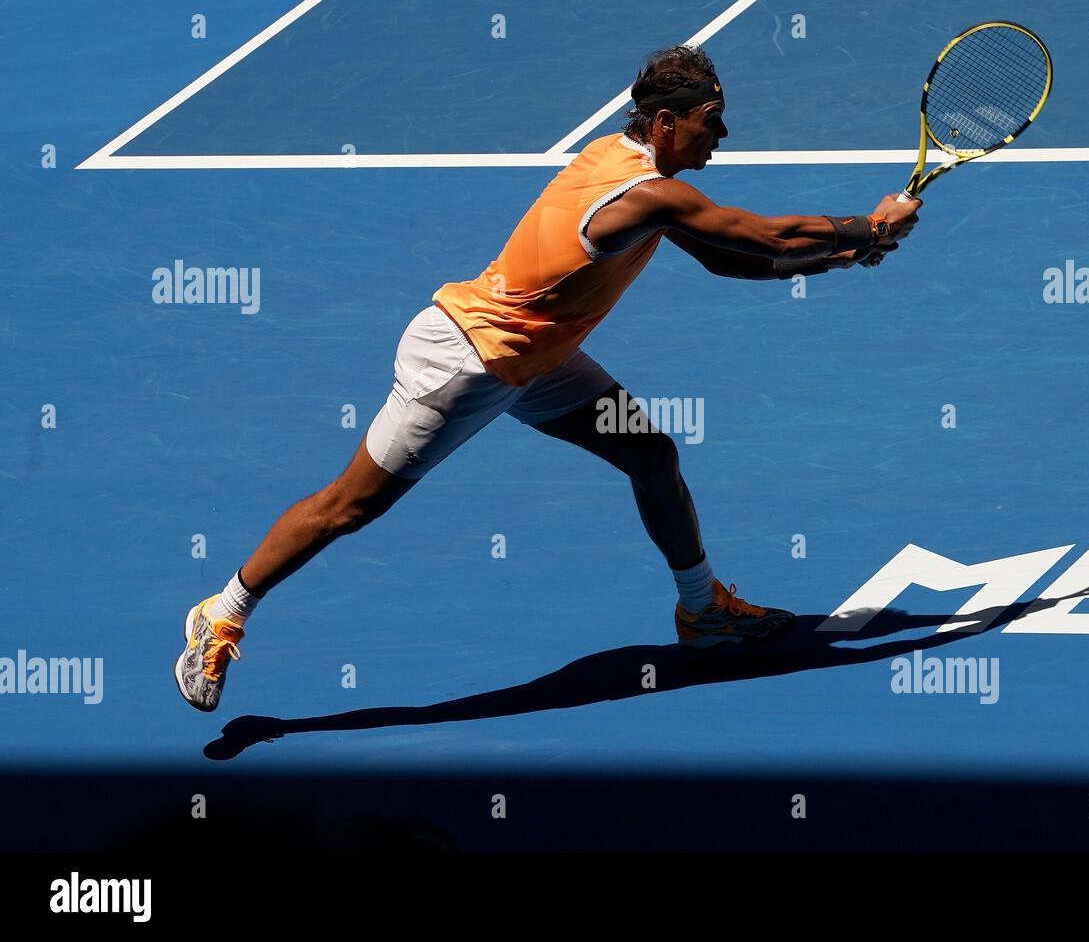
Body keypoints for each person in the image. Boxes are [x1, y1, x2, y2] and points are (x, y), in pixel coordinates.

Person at [175, 44, 921, 712]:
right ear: (665, 123)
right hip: (467, 364)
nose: (721, 135)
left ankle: (703, 613)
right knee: (347, 508)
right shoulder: (644, 195)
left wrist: (842, 258)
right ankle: (225, 608)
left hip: (539, 360)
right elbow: (761, 236)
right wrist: (869, 225)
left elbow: (730, 258)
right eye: (711, 120)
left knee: (650, 454)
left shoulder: (638, 174)